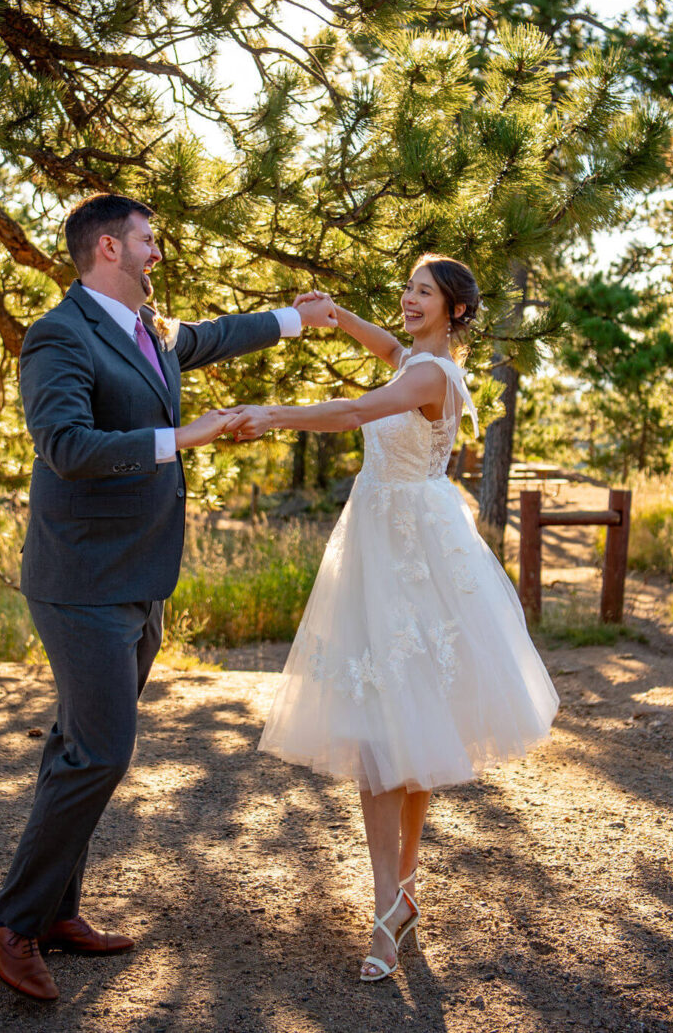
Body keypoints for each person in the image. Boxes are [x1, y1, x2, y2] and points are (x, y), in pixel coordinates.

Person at [0, 192, 337, 1002]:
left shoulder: (153, 329)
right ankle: (9, 921)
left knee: (77, 745)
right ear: (108, 247)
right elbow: (66, 445)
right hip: (80, 584)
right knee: (100, 751)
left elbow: (212, 337)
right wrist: (188, 435)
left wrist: (295, 317)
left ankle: (54, 910)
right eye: (148, 240)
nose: (158, 253)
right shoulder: (58, 334)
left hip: (141, 577)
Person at [225, 253, 560, 983]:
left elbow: (353, 412)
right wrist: (337, 316)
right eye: (407, 288)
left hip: (412, 551)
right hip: (381, 543)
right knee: (399, 728)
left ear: (456, 310)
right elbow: (385, 346)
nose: (408, 300)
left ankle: (388, 905)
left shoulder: (433, 377)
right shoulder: (415, 356)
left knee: (393, 733)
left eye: (424, 292)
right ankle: (401, 892)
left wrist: (273, 416)